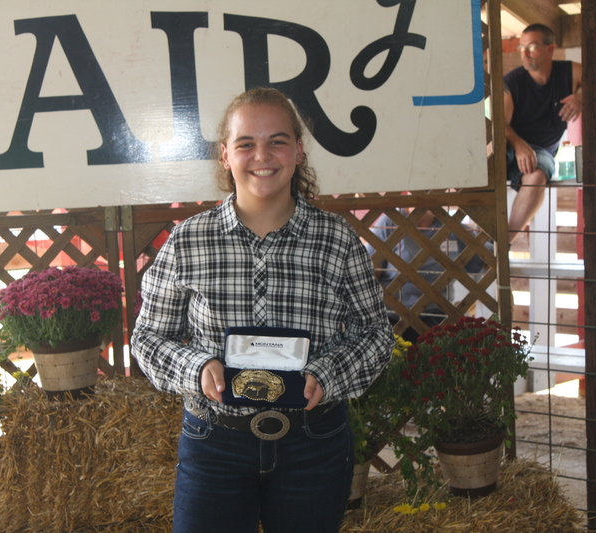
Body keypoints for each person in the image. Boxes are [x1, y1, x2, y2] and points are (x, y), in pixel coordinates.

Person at [131, 87, 393, 533]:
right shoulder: (188, 241)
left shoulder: (336, 239)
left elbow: (375, 335)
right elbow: (147, 337)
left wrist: (327, 375)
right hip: (214, 442)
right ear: (225, 155)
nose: (262, 155)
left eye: (277, 140)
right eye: (246, 143)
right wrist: (197, 368)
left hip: (314, 442)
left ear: (298, 150)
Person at [504, 23, 582, 244]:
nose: (525, 53)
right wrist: (518, 145)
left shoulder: (569, 72)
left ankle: (502, 245)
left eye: (532, 47)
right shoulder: (512, 83)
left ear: (550, 49)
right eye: (521, 47)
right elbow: (498, 124)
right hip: (508, 144)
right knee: (479, 166)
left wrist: (582, 96)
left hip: (543, 152)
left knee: (538, 176)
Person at [365, 208, 492, 342]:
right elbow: (370, 271)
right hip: (392, 314)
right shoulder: (391, 220)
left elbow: (489, 258)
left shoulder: (450, 225)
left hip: (437, 313)